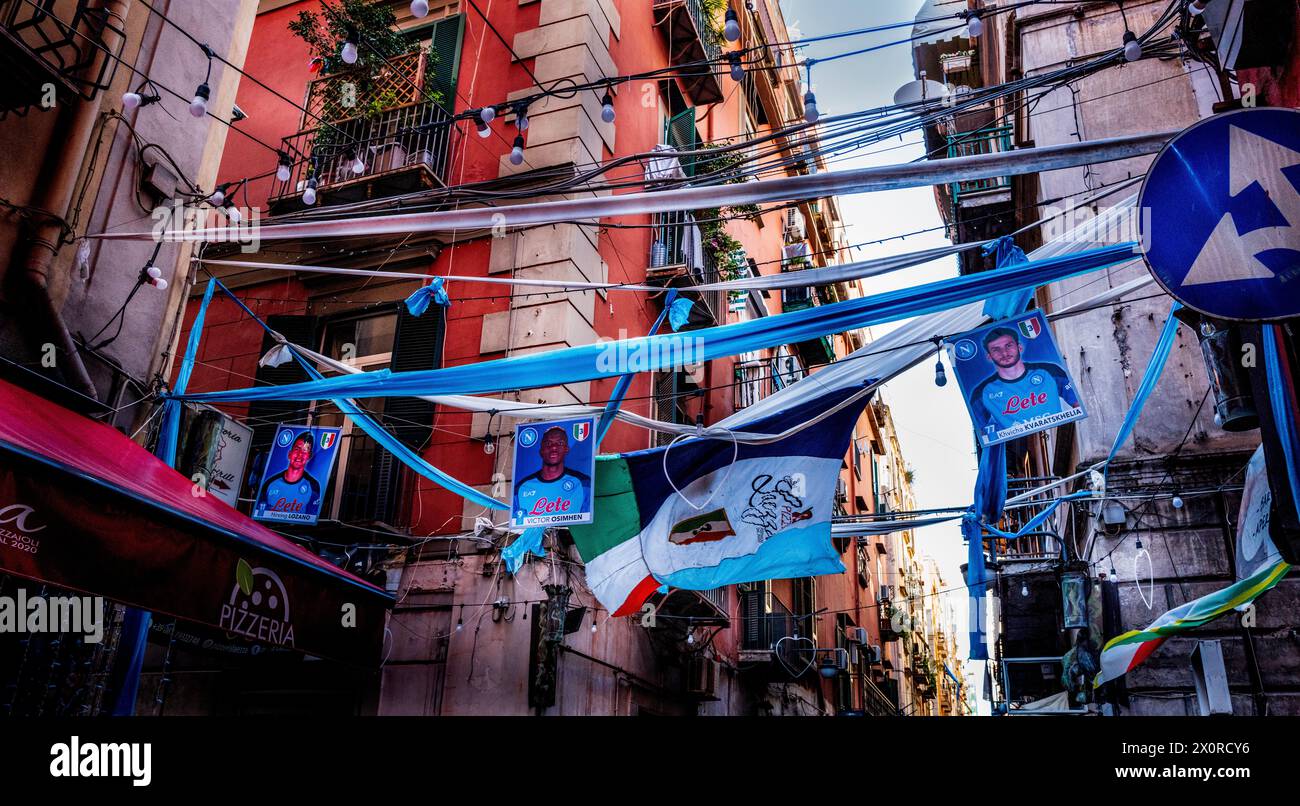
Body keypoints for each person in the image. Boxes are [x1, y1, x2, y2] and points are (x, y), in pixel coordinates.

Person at [969, 326, 1081, 441]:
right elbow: (981, 432)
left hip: (1060, 435)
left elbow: (1078, 404)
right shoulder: (982, 393)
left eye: (1009, 345)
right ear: (989, 356)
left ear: (1019, 347)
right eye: (996, 350)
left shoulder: (1050, 371)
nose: (1004, 353)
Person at [514, 426, 588, 521]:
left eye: (560, 443)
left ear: (567, 449)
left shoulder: (583, 484)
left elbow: (586, 524)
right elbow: (517, 525)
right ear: (541, 450)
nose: (553, 447)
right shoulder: (521, 488)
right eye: (548, 443)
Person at [255, 432, 323, 517]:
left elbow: (312, 515)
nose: (300, 454)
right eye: (297, 449)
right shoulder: (270, 483)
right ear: (289, 454)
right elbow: (259, 512)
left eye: (305, 450)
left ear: (309, 456)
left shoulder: (313, 485)